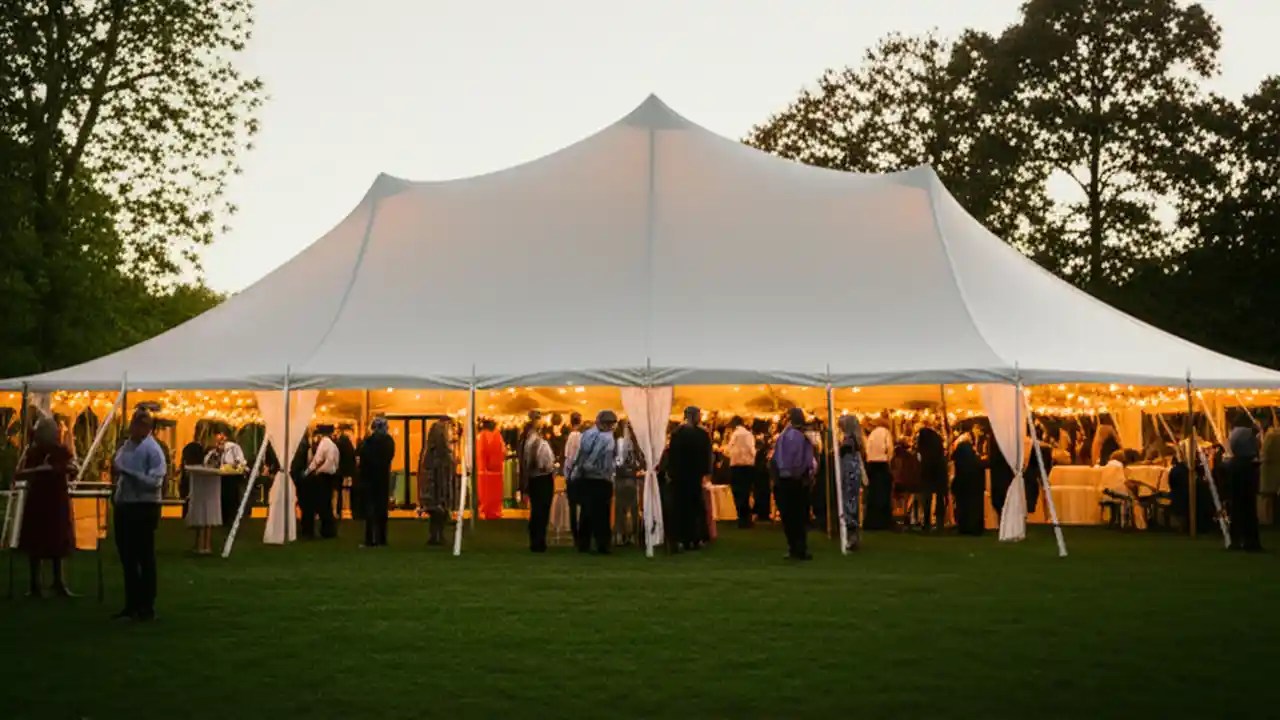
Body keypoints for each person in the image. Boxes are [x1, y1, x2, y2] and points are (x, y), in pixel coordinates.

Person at [112, 410, 166, 621]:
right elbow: (119, 463)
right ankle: (131, 604)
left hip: (143, 507)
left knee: (144, 556)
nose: (134, 429)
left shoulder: (153, 450)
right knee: (127, 556)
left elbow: (155, 482)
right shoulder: (127, 446)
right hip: (125, 505)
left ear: (147, 428)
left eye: (139, 425)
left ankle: (146, 606)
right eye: (133, 424)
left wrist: (129, 473)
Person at [15, 414, 77, 597]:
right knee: (36, 540)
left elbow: (72, 467)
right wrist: (37, 471)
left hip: (56, 501)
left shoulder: (61, 451)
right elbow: (19, 473)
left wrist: (60, 469)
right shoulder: (32, 453)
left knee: (58, 539)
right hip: (38, 501)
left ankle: (59, 582)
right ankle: (35, 584)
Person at [571, 410, 618, 554]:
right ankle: (602, 544)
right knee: (602, 514)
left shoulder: (587, 434)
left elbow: (580, 455)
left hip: (586, 478)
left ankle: (583, 543)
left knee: (586, 512)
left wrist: (577, 472)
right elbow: (608, 461)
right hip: (601, 480)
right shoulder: (608, 438)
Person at [772, 408, 816, 560]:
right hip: (798, 481)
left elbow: (776, 459)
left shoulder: (783, 437)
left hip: (784, 481)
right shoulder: (802, 438)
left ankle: (793, 547)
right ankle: (800, 548)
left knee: (789, 517)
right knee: (799, 517)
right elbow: (807, 462)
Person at [667, 406, 712, 551]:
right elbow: (706, 455)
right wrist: (705, 472)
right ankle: (691, 538)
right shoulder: (699, 434)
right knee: (691, 508)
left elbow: (672, 456)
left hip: (685, 476)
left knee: (687, 508)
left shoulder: (678, 434)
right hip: (688, 476)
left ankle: (689, 538)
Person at [359, 417, 395, 547]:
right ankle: (382, 538)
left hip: (369, 479)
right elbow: (390, 457)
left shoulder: (368, 442)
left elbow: (363, 459)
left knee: (370, 509)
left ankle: (370, 539)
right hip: (383, 478)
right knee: (382, 509)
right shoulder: (389, 441)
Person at [522, 415, 556, 552]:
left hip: (533, 478)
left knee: (536, 510)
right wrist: (550, 467)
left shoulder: (527, 442)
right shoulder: (538, 443)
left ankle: (536, 540)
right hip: (542, 477)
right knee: (542, 511)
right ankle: (539, 541)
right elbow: (544, 462)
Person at [420, 421, 457, 547]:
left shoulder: (428, 452)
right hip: (439, 487)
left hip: (434, 487)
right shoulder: (441, 454)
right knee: (439, 512)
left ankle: (435, 535)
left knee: (436, 513)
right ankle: (438, 535)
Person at [1226, 427, 1263, 551]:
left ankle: (1238, 540)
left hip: (1238, 471)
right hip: (1246, 470)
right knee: (1248, 509)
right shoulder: (1247, 436)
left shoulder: (1238, 435)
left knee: (1237, 508)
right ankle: (1249, 541)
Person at [205, 432, 246, 533]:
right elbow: (207, 461)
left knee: (231, 498)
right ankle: (222, 519)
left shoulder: (233, 448)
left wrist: (234, 465)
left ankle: (231, 519)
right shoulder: (214, 451)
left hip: (231, 476)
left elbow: (240, 460)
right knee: (221, 497)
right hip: (220, 476)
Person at [184, 441, 220, 555]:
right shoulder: (206, 468)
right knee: (207, 521)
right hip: (210, 497)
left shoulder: (192, 469)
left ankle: (200, 545)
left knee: (201, 520)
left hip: (198, 497)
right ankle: (205, 545)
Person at [304, 425, 340, 539]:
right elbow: (336, 462)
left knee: (322, 503)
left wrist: (308, 472)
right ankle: (329, 530)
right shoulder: (334, 445)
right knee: (327, 503)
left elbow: (317, 460)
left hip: (323, 476)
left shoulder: (324, 444)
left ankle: (326, 530)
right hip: (331, 475)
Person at [836, 414, 866, 551]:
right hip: (852, 472)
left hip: (849, 473)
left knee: (849, 502)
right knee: (851, 501)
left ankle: (852, 535)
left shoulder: (849, 441)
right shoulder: (855, 440)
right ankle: (853, 535)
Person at [614, 419, 643, 546]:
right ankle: (631, 535)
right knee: (632, 508)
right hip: (630, 478)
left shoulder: (617, 443)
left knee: (622, 508)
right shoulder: (635, 444)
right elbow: (640, 461)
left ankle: (622, 535)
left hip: (621, 478)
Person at [950, 433, 985, 536]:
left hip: (963, 485)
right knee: (974, 507)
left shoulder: (960, 457)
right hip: (974, 487)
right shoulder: (975, 459)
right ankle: (974, 527)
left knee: (963, 506)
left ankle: (964, 526)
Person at [915, 420, 947, 532]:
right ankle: (940, 523)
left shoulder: (923, 445)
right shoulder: (937, 442)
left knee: (927, 496)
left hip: (927, 471)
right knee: (939, 497)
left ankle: (927, 522)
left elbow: (919, 454)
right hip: (940, 471)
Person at [725, 416, 756, 528]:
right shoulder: (749, 434)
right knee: (746, 492)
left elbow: (727, 450)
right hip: (748, 466)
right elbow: (752, 450)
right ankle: (747, 518)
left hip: (736, 466)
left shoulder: (735, 435)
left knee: (737, 492)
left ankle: (741, 518)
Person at [863, 418, 894, 530]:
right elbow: (890, 449)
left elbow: (867, 449)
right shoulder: (886, 433)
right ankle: (883, 521)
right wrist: (889, 460)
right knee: (883, 493)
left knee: (873, 493)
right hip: (882, 464)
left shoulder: (872, 434)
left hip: (871, 464)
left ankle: (871, 521)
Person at [562, 412, 584, 544]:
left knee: (572, 505)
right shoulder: (580, 437)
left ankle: (575, 532)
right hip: (580, 474)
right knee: (581, 504)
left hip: (571, 475)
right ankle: (580, 532)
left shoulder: (570, 437)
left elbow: (568, 457)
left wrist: (567, 473)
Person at [476, 419, 506, 520]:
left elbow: (481, 452)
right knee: (493, 494)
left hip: (485, 472)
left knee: (486, 494)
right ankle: (493, 511)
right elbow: (502, 452)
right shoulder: (496, 436)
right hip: (494, 471)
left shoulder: (482, 436)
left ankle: (487, 511)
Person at [1260, 419, 1280, 527]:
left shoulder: (1271, 436)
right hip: (1275, 470)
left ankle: (1268, 520)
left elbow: (1264, 453)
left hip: (1270, 470)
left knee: (1268, 497)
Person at [335, 426, 357, 521]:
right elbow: (352, 458)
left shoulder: (338, 444)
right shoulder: (349, 445)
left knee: (338, 491)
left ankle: (339, 510)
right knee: (349, 490)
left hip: (339, 471)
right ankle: (349, 508)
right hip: (349, 471)